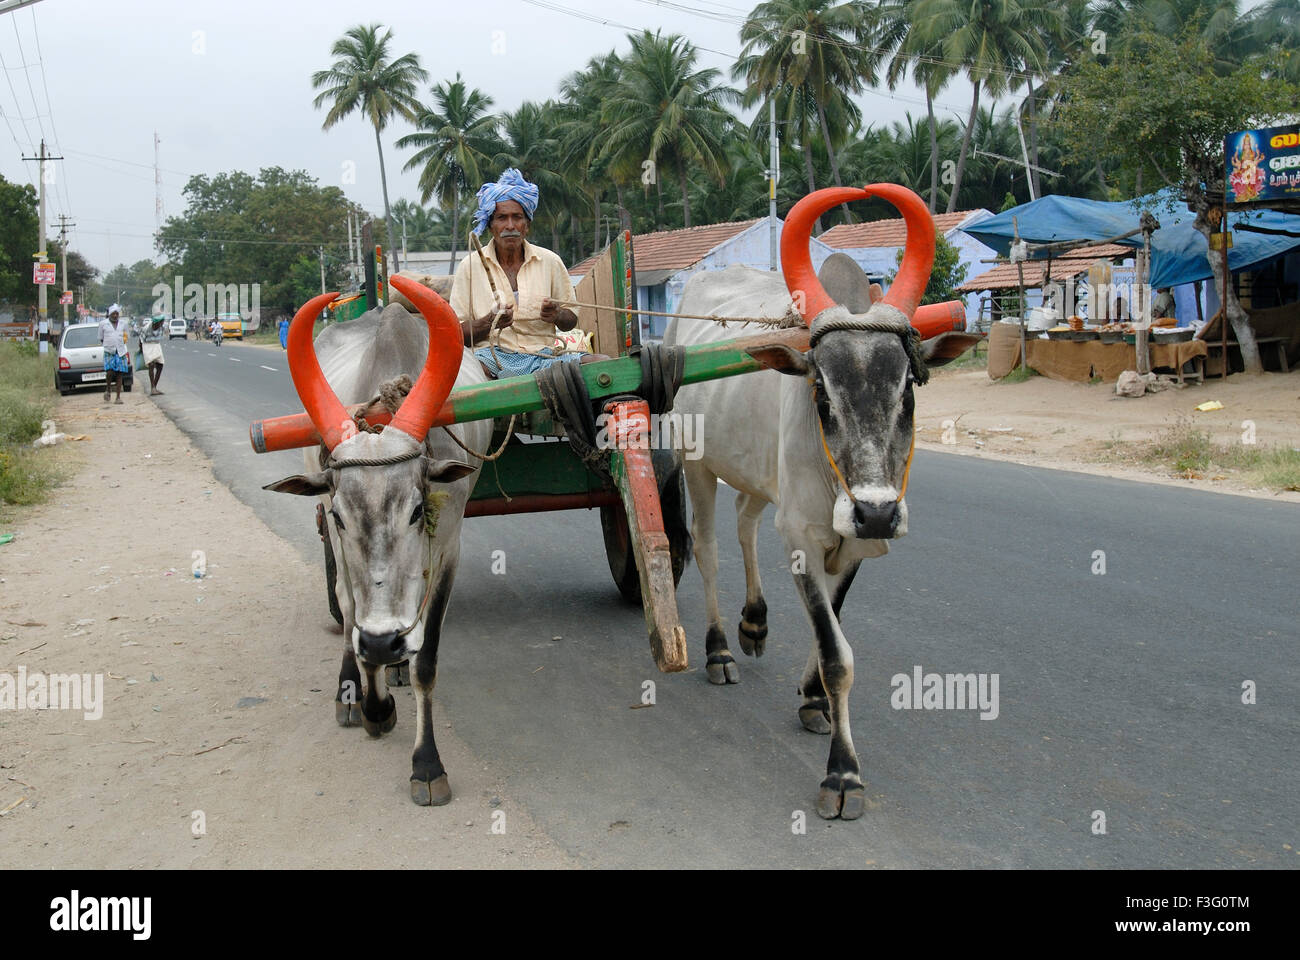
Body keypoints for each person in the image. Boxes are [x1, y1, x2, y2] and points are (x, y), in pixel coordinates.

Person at [449, 167, 604, 378]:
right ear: (490, 225)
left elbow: (570, 321)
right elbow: (456, 335)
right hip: (491, 359)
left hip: (546, 358)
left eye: (517, 217)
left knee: (603, 364)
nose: (510, 225)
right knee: (459, 375)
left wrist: (557, 315)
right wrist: (489, 322)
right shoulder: (469, 266)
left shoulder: (550, 261)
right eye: (502, 218)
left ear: (527, 225)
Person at [98, 304, 130, 404]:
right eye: (113, 314)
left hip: (120, 351)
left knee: (120, 374)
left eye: (117, 314)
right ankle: (108, 389)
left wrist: (122, 341)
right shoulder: (103, 324)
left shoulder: (123, 324)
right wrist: (109, 344)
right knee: (110, 372)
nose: (115, 316)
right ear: (109, 314)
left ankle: (118, 397)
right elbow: (101, 338)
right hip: (109, 351)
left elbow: (126, 335)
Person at [140, 316, 166, 395]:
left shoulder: (162, 328)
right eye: (161, 322)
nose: (162, 323)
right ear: (156, 322)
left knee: (160, 365)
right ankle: (153, 387)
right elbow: (141, 340)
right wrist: (141, 351)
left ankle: (154, 387)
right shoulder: (146, 328)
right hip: (147, 345)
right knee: (151, 365)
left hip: (156, 345)